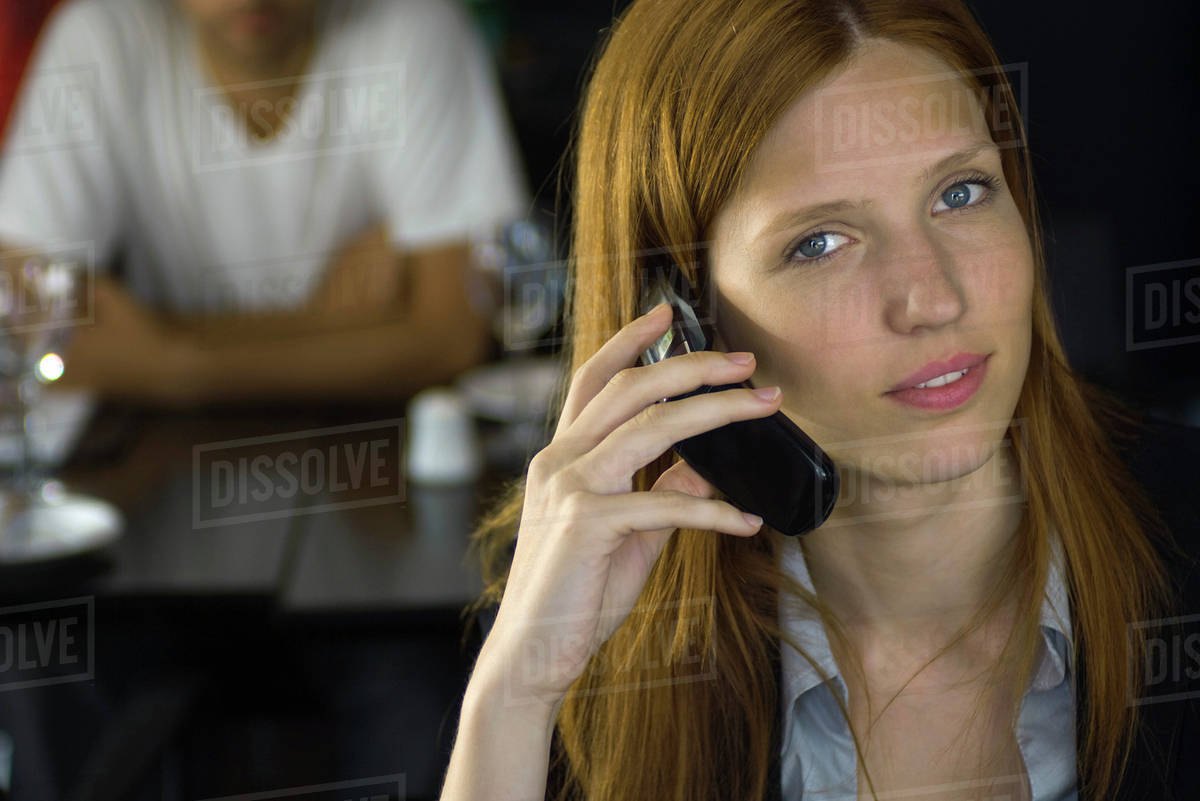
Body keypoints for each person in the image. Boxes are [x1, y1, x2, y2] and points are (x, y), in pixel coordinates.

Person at [437, 0, 1200, 800]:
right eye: (820, 243)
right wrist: (514, 696)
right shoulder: (593, 641)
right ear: (682, 320)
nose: (931, 298)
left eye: (962, 193)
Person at [0, 0, 528, 404]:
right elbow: (29, 326)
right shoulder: (99, 36)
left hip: (374, 466)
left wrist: (166, 359)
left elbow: (453, 337)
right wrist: (340, 327)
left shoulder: (416, 23)